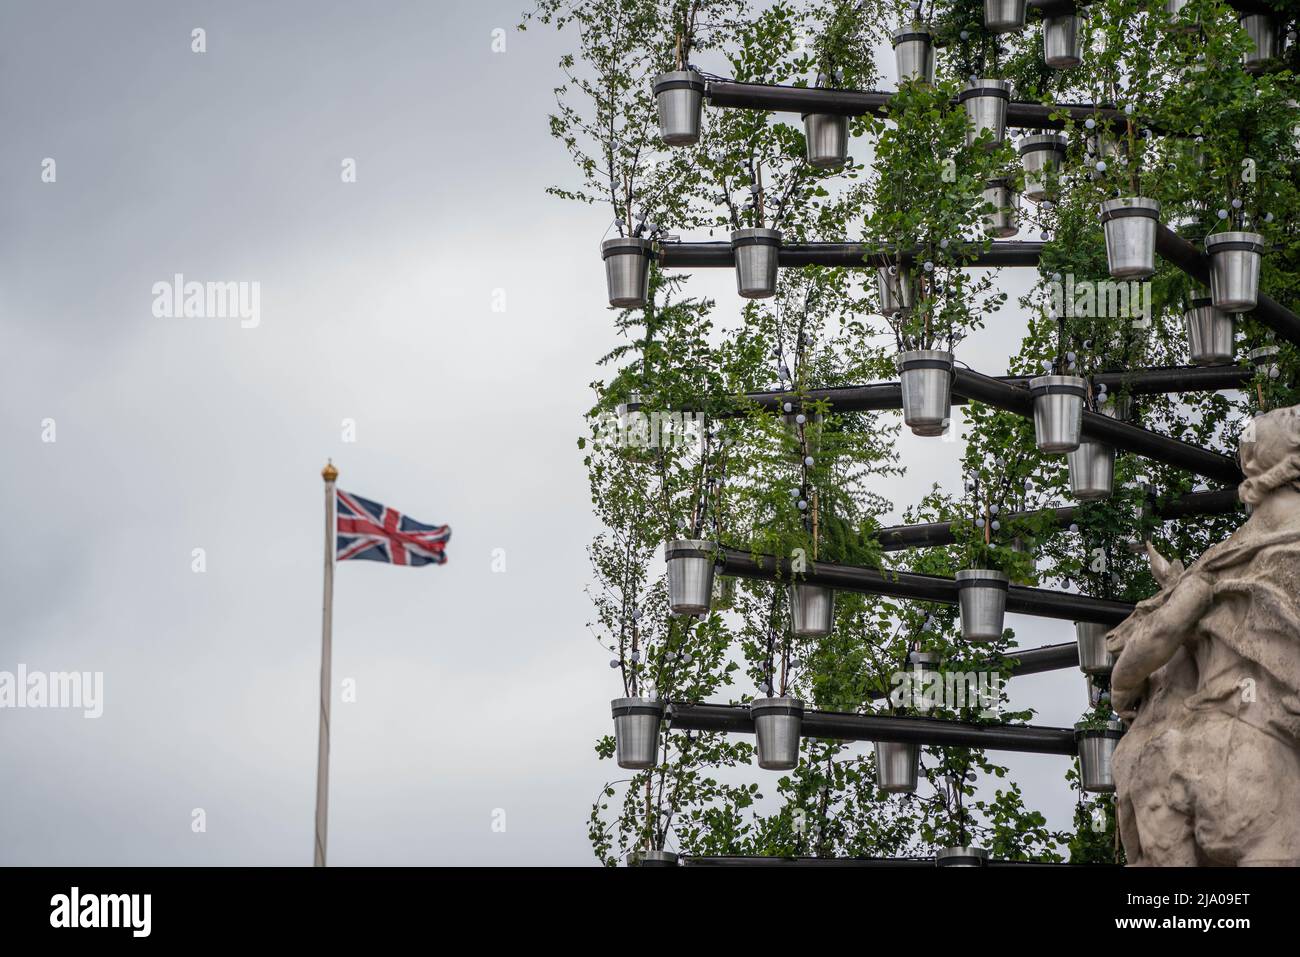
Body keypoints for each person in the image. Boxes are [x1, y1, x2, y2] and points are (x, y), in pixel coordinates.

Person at [1107, 405, 1300, 866]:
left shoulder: (1221, 559)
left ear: (1252, 465)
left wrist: (1121, 688)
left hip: (1191, 748)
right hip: (1271, 757)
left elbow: (1160, 633)